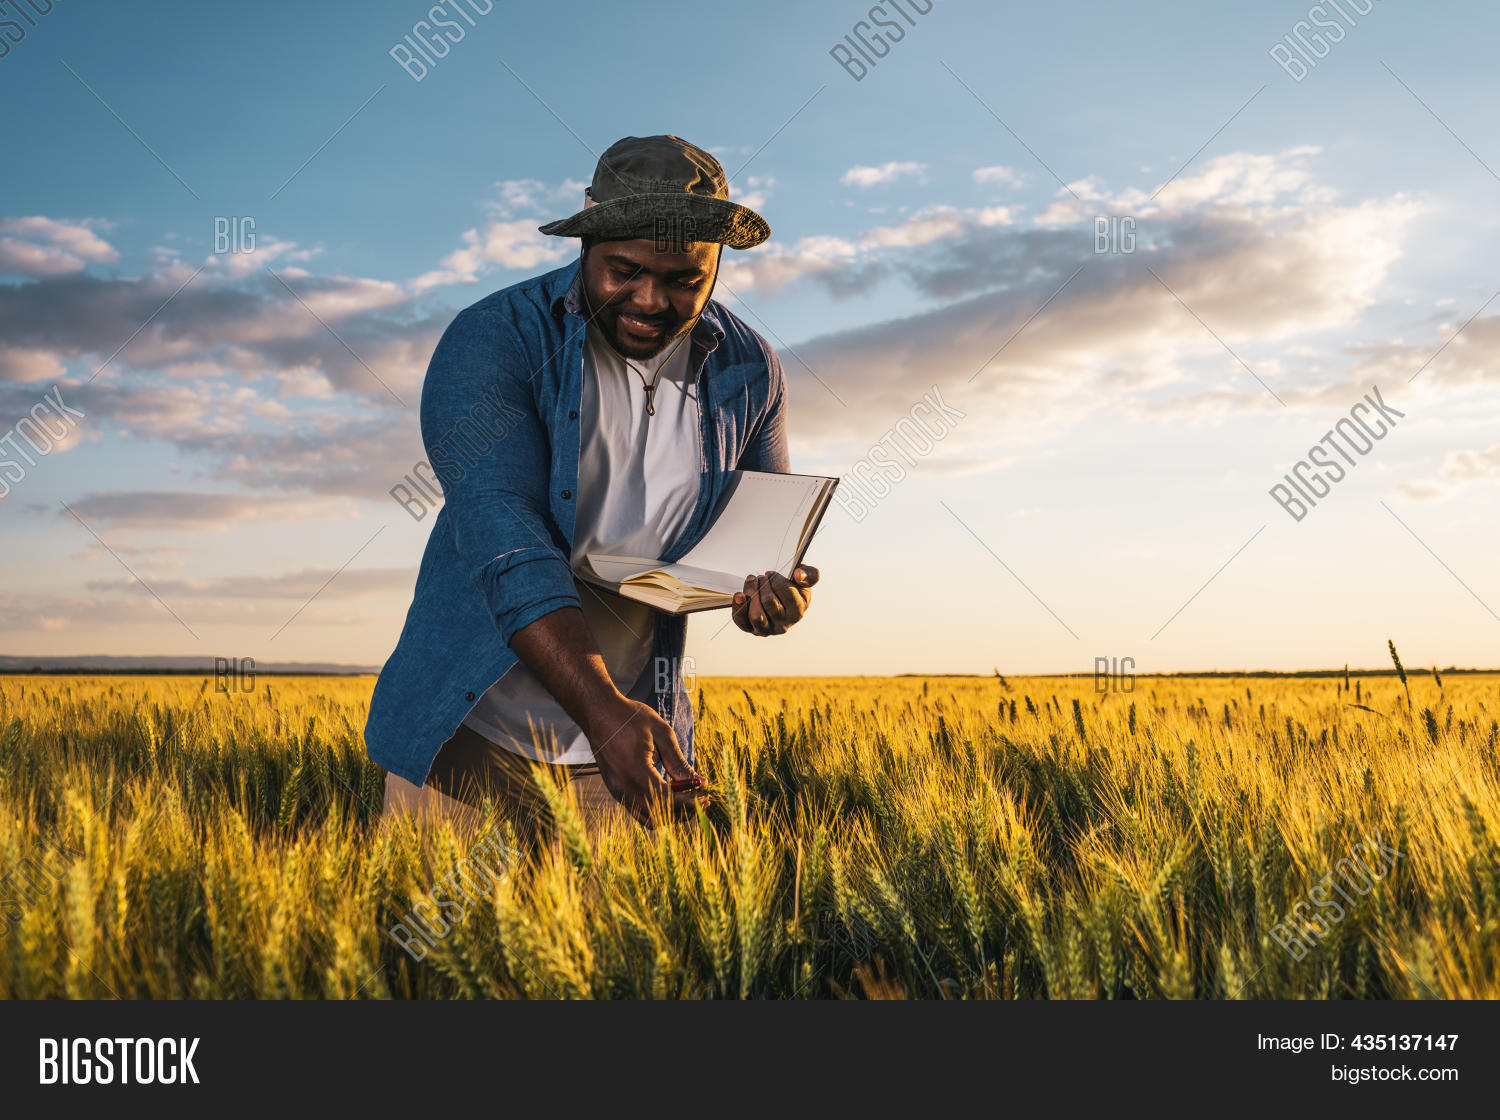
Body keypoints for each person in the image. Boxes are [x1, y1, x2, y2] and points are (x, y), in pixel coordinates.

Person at [367, 134, 821, 837]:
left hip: (635, 753)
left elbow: (758, 531)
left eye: (682, 281)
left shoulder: (750, 368)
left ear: (717, 265)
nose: (649, 299)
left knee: (618, 951)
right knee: (436, 948)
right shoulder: (495, 339)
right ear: (587, 243)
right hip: (468, 748)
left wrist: (769, 594)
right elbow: (504, 537)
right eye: (624, 270)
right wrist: (602, 707)